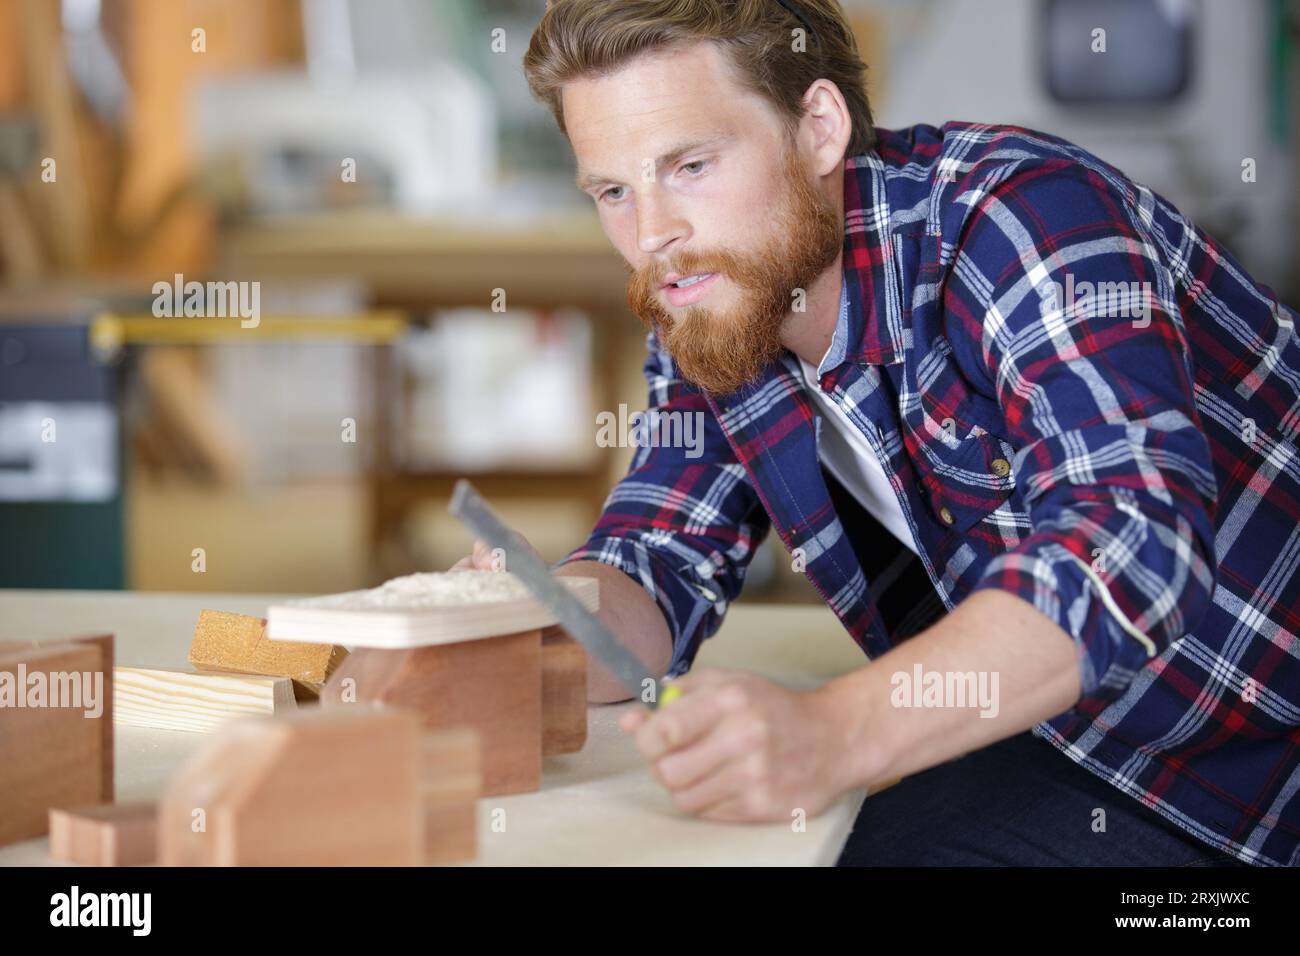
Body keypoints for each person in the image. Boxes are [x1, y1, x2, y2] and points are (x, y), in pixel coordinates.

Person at [454, 0, 1298, 867]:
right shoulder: (714, 299)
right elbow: (656, 555)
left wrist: (835, 727)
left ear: (819, 127)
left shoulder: (1018, 214)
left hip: (1260, 800)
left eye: (692, 165)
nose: (654, 234)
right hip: (1057, 741)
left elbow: (1135, 538)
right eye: (614, 191)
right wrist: (542, 619)